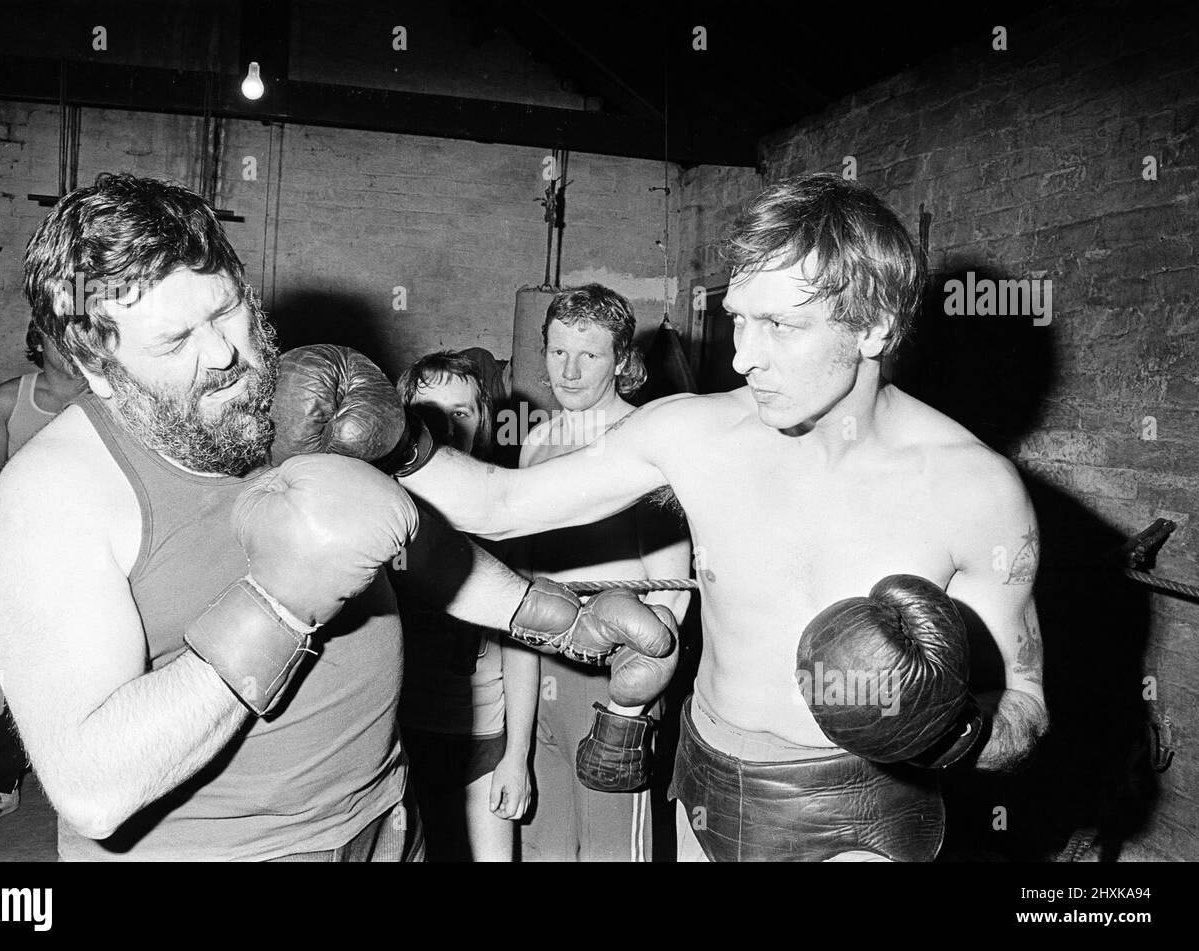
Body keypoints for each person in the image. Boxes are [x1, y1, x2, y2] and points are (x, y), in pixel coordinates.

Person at [0, 173, 678, 862]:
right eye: (174, 340)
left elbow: (426, 534)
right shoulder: (52, 494)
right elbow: (92, 787)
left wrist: (556, 614)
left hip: (386, 820)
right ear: (98, 364)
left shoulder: (294, 397)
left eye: (227, 312)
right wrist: (278, 607)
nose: (223, 354)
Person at [398, 173, 1051, 861]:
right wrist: (395, 441)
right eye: (740, 316)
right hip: (706, 783)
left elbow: (1026, 704)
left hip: (857, 810)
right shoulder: (693, 432)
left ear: (876, 325)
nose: (742, 354)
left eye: (780, 324)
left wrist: (942, 729)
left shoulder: (973, 489)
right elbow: (500, 505)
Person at [516, 285, 691, 862]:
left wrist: (627, 708)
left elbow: (672, 597)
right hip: (542, 668)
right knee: (545, 849)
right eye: (557, 351)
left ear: (621, 360)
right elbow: (521, 592)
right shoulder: (538, 441)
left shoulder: (649, 444)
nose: (567, 371)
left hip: (617, 677)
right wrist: (515, 743)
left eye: (588, 355)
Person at [393, 350, 539, 861]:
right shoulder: (382, 509)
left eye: (462, 412)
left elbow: (524, 644)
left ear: (483, 421)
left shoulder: (504, 515)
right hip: (399, 739)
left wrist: (516, 755)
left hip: (481, 734)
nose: (448, 428)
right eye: (430, 414)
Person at [0, 325, 88, 837]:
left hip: (95, 562)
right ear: (39, 341)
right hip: (22, 558)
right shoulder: (10, 399)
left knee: (91, 672)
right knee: (10, 673)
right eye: (61, 335)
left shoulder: (113, 399)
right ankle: (3, 787)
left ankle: (88, 783)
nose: (73, 345)